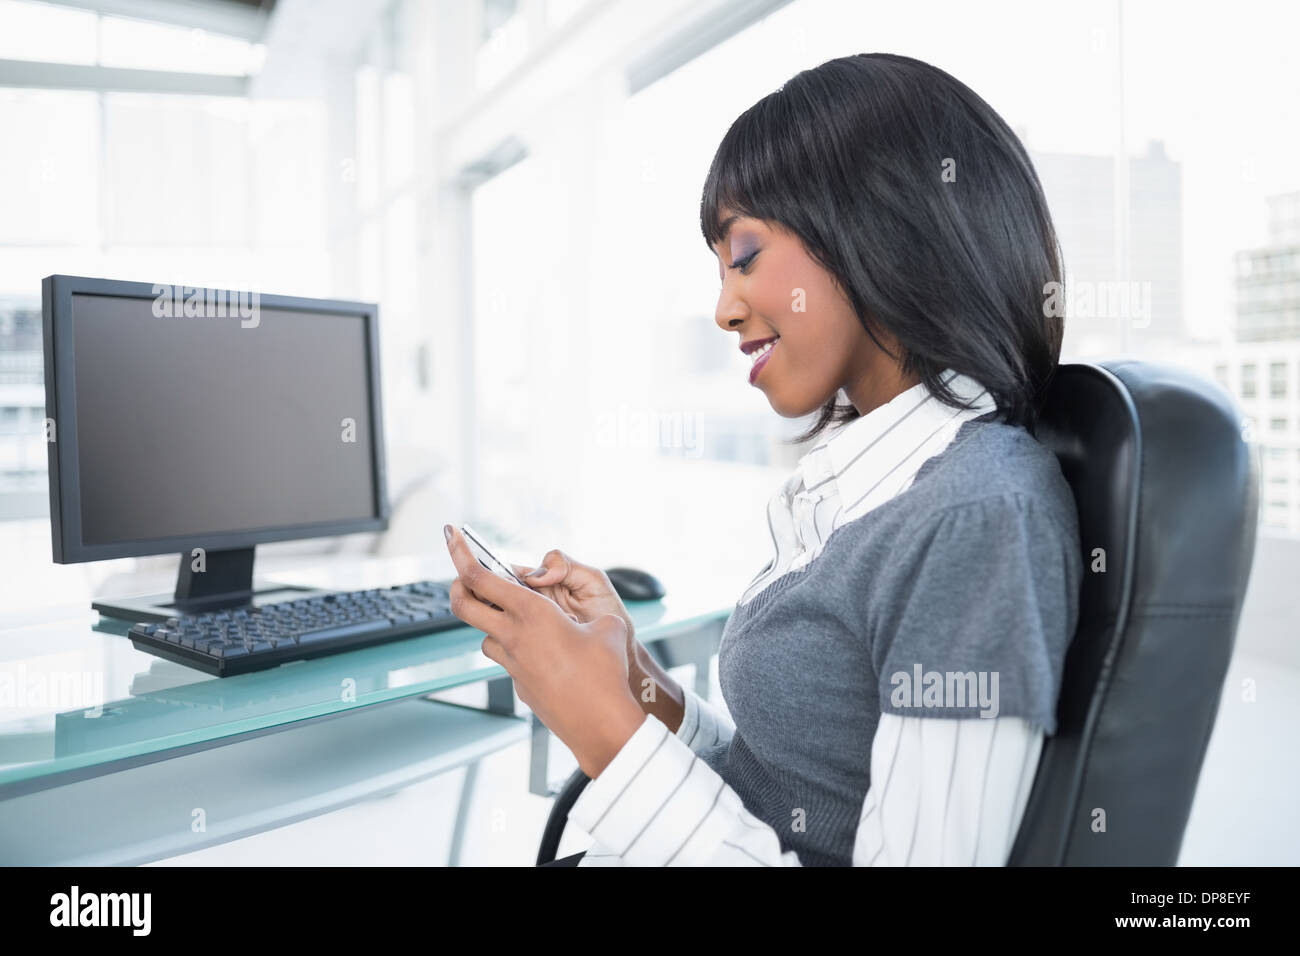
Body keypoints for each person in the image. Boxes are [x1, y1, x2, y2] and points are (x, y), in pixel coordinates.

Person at [442, 52, 1081, 867]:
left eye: (744, 257)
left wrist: (604, 732)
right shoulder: (874, 485)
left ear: (879, 227)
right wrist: (632, 680)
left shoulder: (974, 520)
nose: (723, 306)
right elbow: (791, 790)